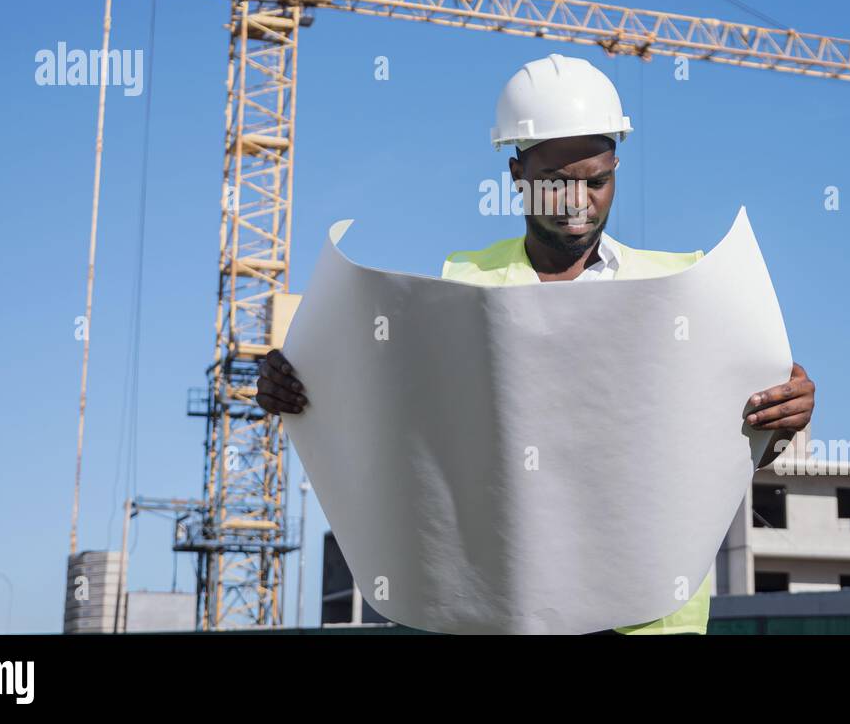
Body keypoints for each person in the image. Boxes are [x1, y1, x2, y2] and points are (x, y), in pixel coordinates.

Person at [258, 52, 817, 634]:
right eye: (556, 184)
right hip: (500, 611)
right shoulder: (463, 283)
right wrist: (306, 391)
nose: (579, 202)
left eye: (598, 182)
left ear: (617, 170)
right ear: (517, 177)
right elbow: (410, 432)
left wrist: (777, 423)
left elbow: (717, 454)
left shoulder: (681, 285)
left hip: (649, 619)